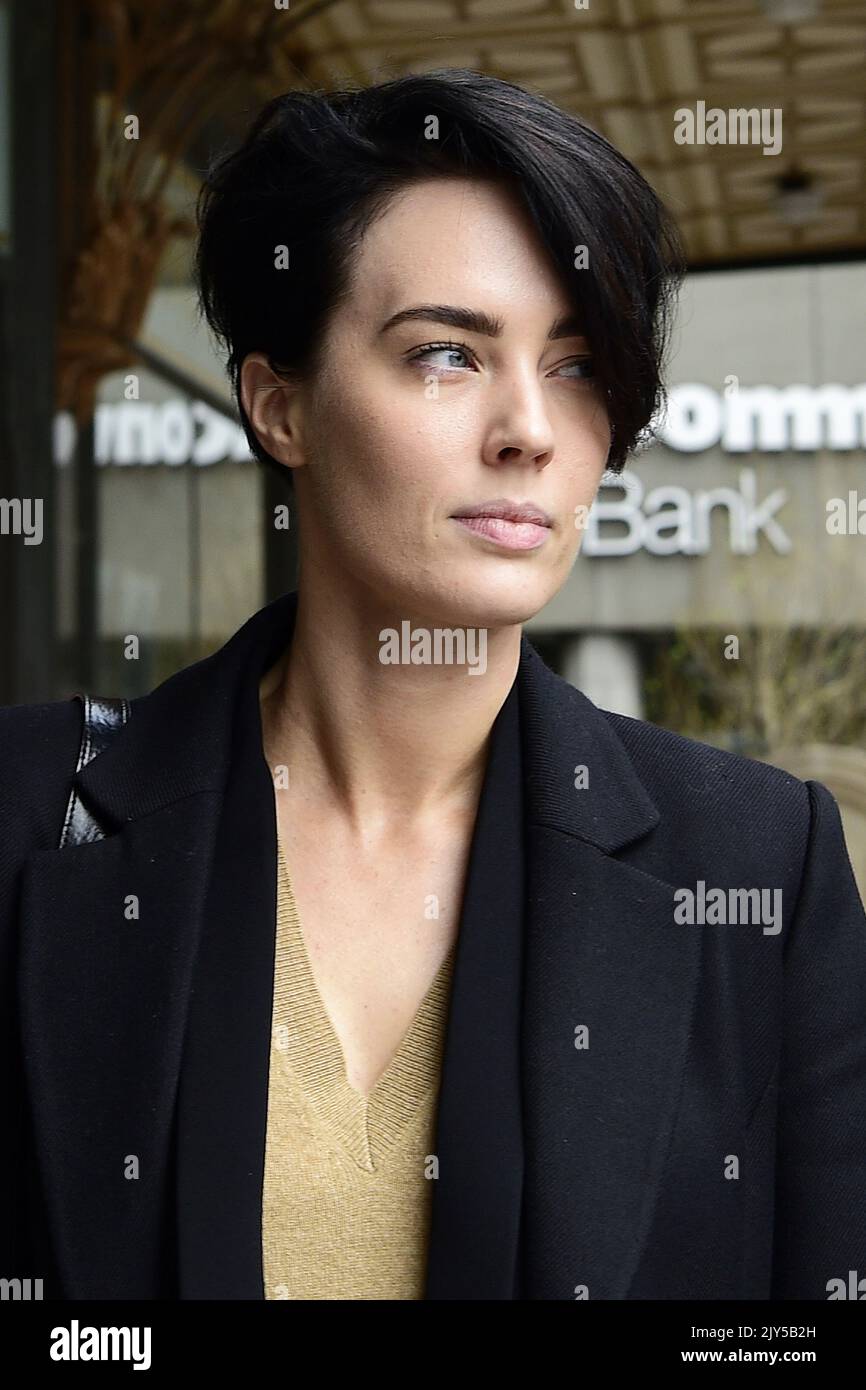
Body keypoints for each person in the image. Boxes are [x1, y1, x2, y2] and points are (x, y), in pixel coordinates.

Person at [2, 68, 865, 1302]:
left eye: (575, 365)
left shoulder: (756, 860)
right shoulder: (33, 810)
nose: (529, 430)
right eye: (447, 353)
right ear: (280, 405)